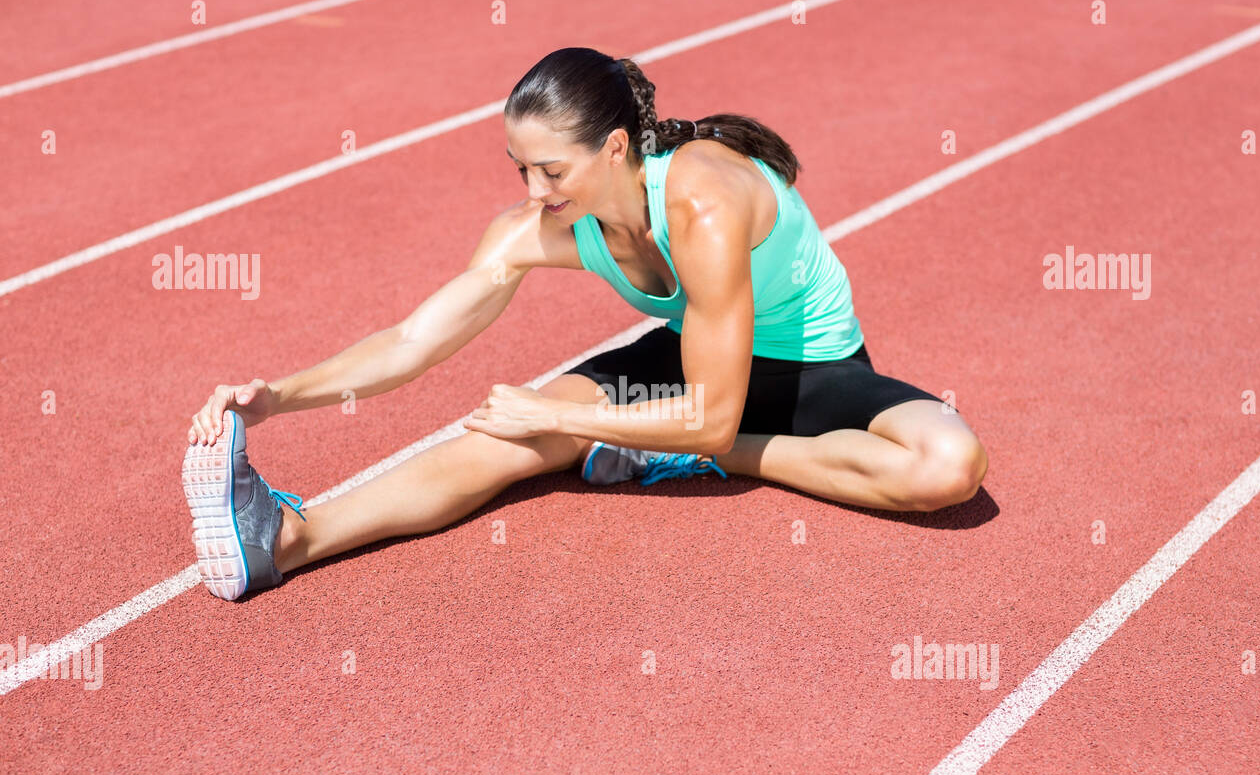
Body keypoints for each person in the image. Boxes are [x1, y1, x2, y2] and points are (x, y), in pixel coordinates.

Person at [182, 47, 988, 601]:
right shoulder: (534, 229)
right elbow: (411, 342)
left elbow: (710, 418)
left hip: (813, 370)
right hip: (687, 360)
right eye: (519, 168)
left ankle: (644, 444)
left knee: (949, 467)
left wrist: (568, 417)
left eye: (552, 169)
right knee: (505, 444)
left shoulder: (702, 199)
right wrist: (277, 397)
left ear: (612, 148)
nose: (535, 191)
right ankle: (286, 540)